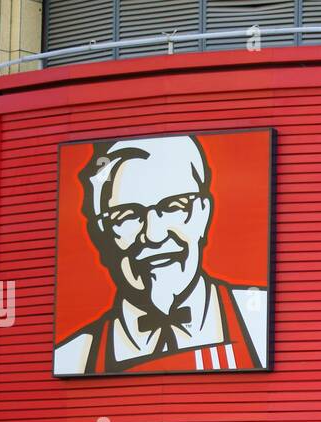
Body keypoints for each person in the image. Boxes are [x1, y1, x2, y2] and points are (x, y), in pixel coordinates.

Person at [53, 134, 268, 375]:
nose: (154, 235)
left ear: (204, 213)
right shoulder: (74, 357)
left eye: (174, 207)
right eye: (127, 215)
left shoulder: (258, 322)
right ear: (102, 233)